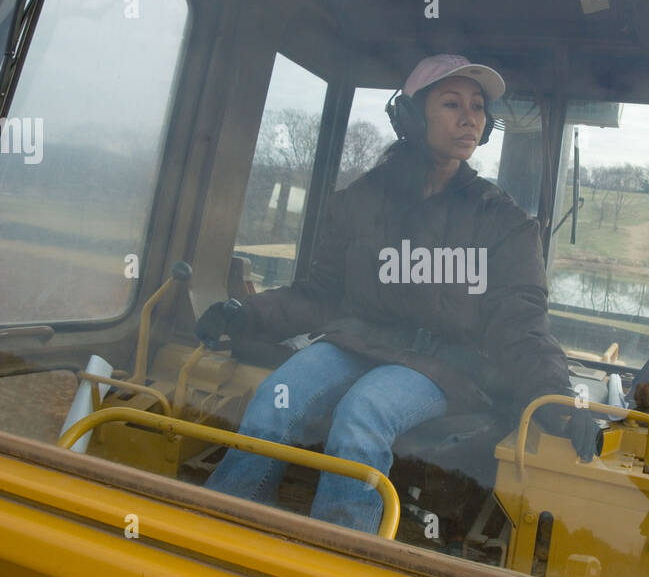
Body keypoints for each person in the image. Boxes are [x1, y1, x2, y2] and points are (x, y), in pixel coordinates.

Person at [197, 54, 600, 532]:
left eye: (477, 107)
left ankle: (347, 560)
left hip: (445, 363)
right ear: (410, 116)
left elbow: (521, 322)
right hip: (358, 342)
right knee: (276, 397)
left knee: (362, 414)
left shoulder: (501, 221)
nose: (470, 117)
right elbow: (320, 292)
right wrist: (244, 314)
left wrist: (558, 397)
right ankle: (221, 527)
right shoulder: (361, 201)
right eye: (452, 103)